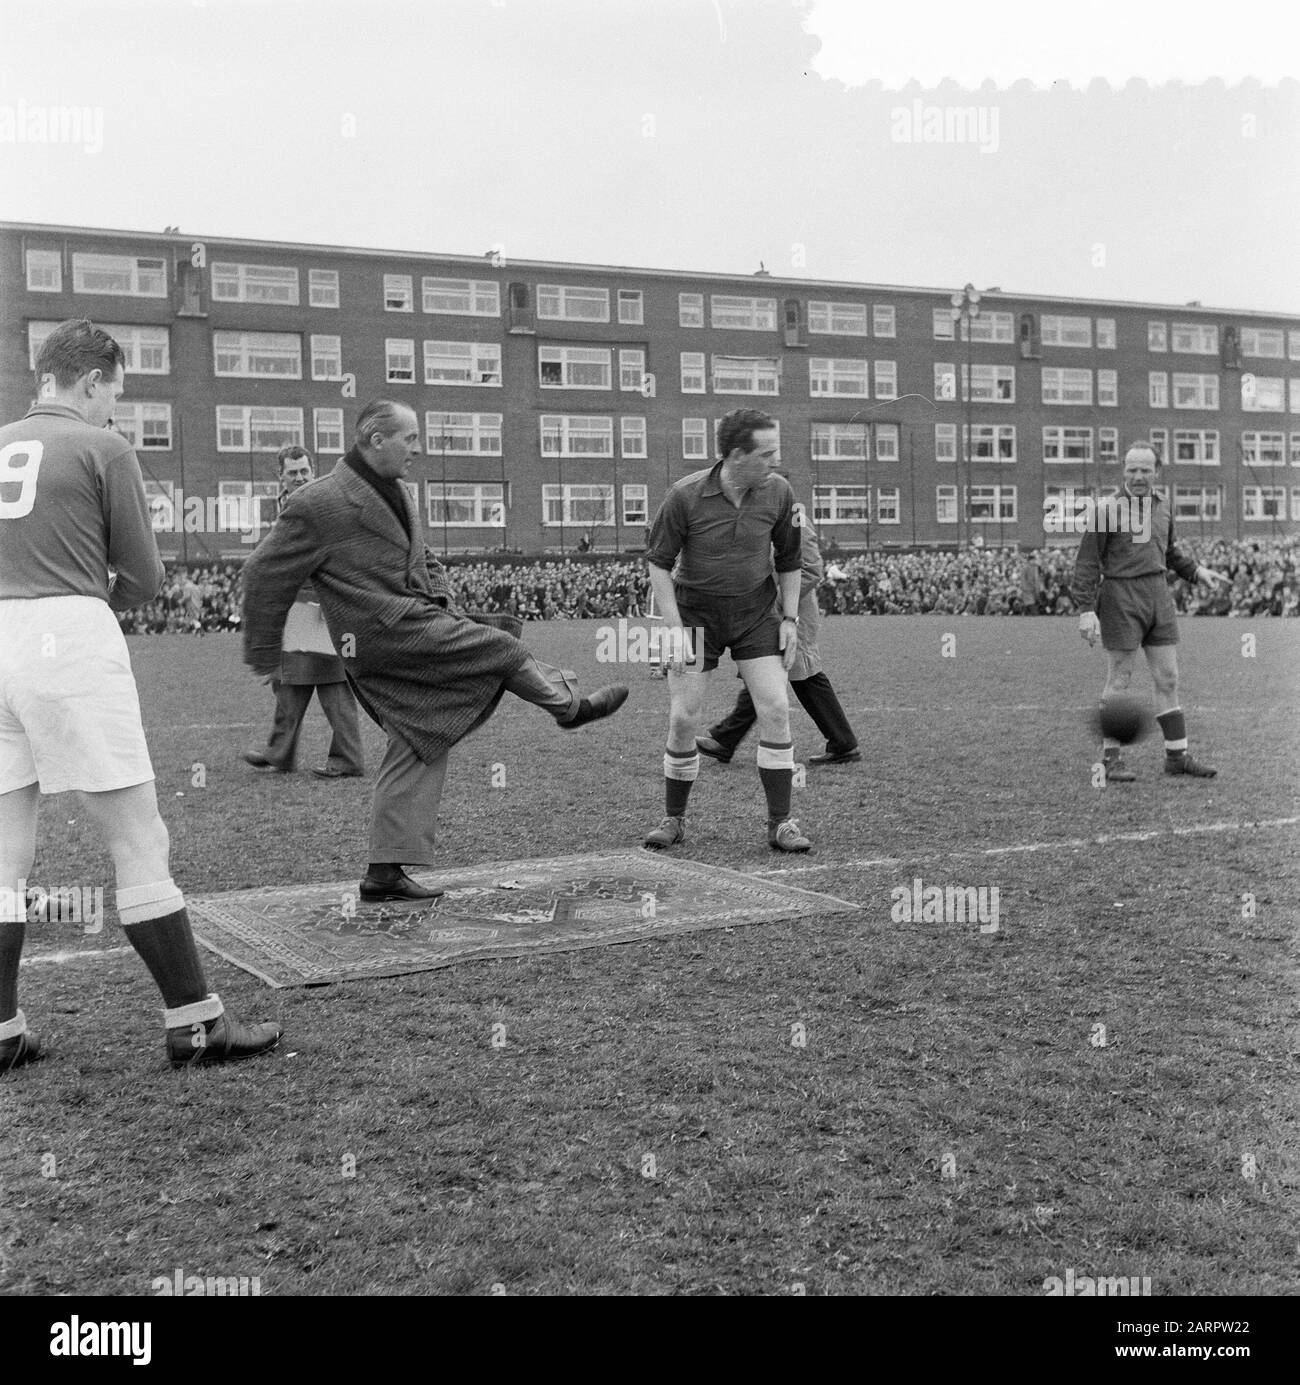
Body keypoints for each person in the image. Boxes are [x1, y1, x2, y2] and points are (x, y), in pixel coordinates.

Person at [0, 319, 280, 1074]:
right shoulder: (102, 447)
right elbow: (147, 579)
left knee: (2, 856)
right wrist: (91, 602)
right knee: (138, 838)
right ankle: (194, 1022)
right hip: (67, 631)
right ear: (90, 380)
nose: (113, 410)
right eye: (113, 393)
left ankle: (1, 1028)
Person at [241, 401, 628, 903]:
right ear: (375, 439)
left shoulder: (400, 491)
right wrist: (265, 649)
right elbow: (261, 572)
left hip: (417, 622)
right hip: (381, 638)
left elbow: (424, 557)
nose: (419, 449)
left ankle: (383, 872)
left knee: (422, 735)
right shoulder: (318, 502)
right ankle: (569, 708)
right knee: (501, 646)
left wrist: (445, 602)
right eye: (410, 437)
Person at [641, 408, 811, 852]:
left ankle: (781, 823)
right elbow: (658, 564)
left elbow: (791, 560)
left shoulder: (780, 492)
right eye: (767, 453)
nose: (775, 461)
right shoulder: (684, 496)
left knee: (775, 707)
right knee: (684, 717)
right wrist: (674, 629)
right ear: (737, 455)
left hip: (755, 614)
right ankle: (674, 819)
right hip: (696, 616)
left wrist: (790, 619)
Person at [1072, 441, 1228, 782]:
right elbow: (1086, 562)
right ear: (1124, 471)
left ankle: (1177, 756)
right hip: (1120, 595)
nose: (1138, 476)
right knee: (1120, 678)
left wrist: (1196, 571)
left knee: (1168, 677)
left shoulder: (1164, 506)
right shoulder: (1106, 509)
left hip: (1158, 595)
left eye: (1145, 470)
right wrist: (1086, 609)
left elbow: (1168, 552)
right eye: (1132, 469)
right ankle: (1111, 758)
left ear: (1157, 472)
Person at [696, 480, 859, 766]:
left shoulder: (794, 515)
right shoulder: (761, 515)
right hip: (770, 614)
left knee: (798, 676)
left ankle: (726, 738)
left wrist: (779, 605)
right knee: (781, 676)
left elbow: (810, 569)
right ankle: (842, 742)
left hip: (790, 615)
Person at [243, 445, 365, 779]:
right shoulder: (286, 505)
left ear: (314, 471)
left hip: (320, 604)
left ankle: (347, 759)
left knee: (331, 684)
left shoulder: (321, 503)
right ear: (279, 475)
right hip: (295, 604)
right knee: (289, 681)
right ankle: (280, 753)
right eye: (292, 472)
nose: (299, 477)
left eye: (304, 471)